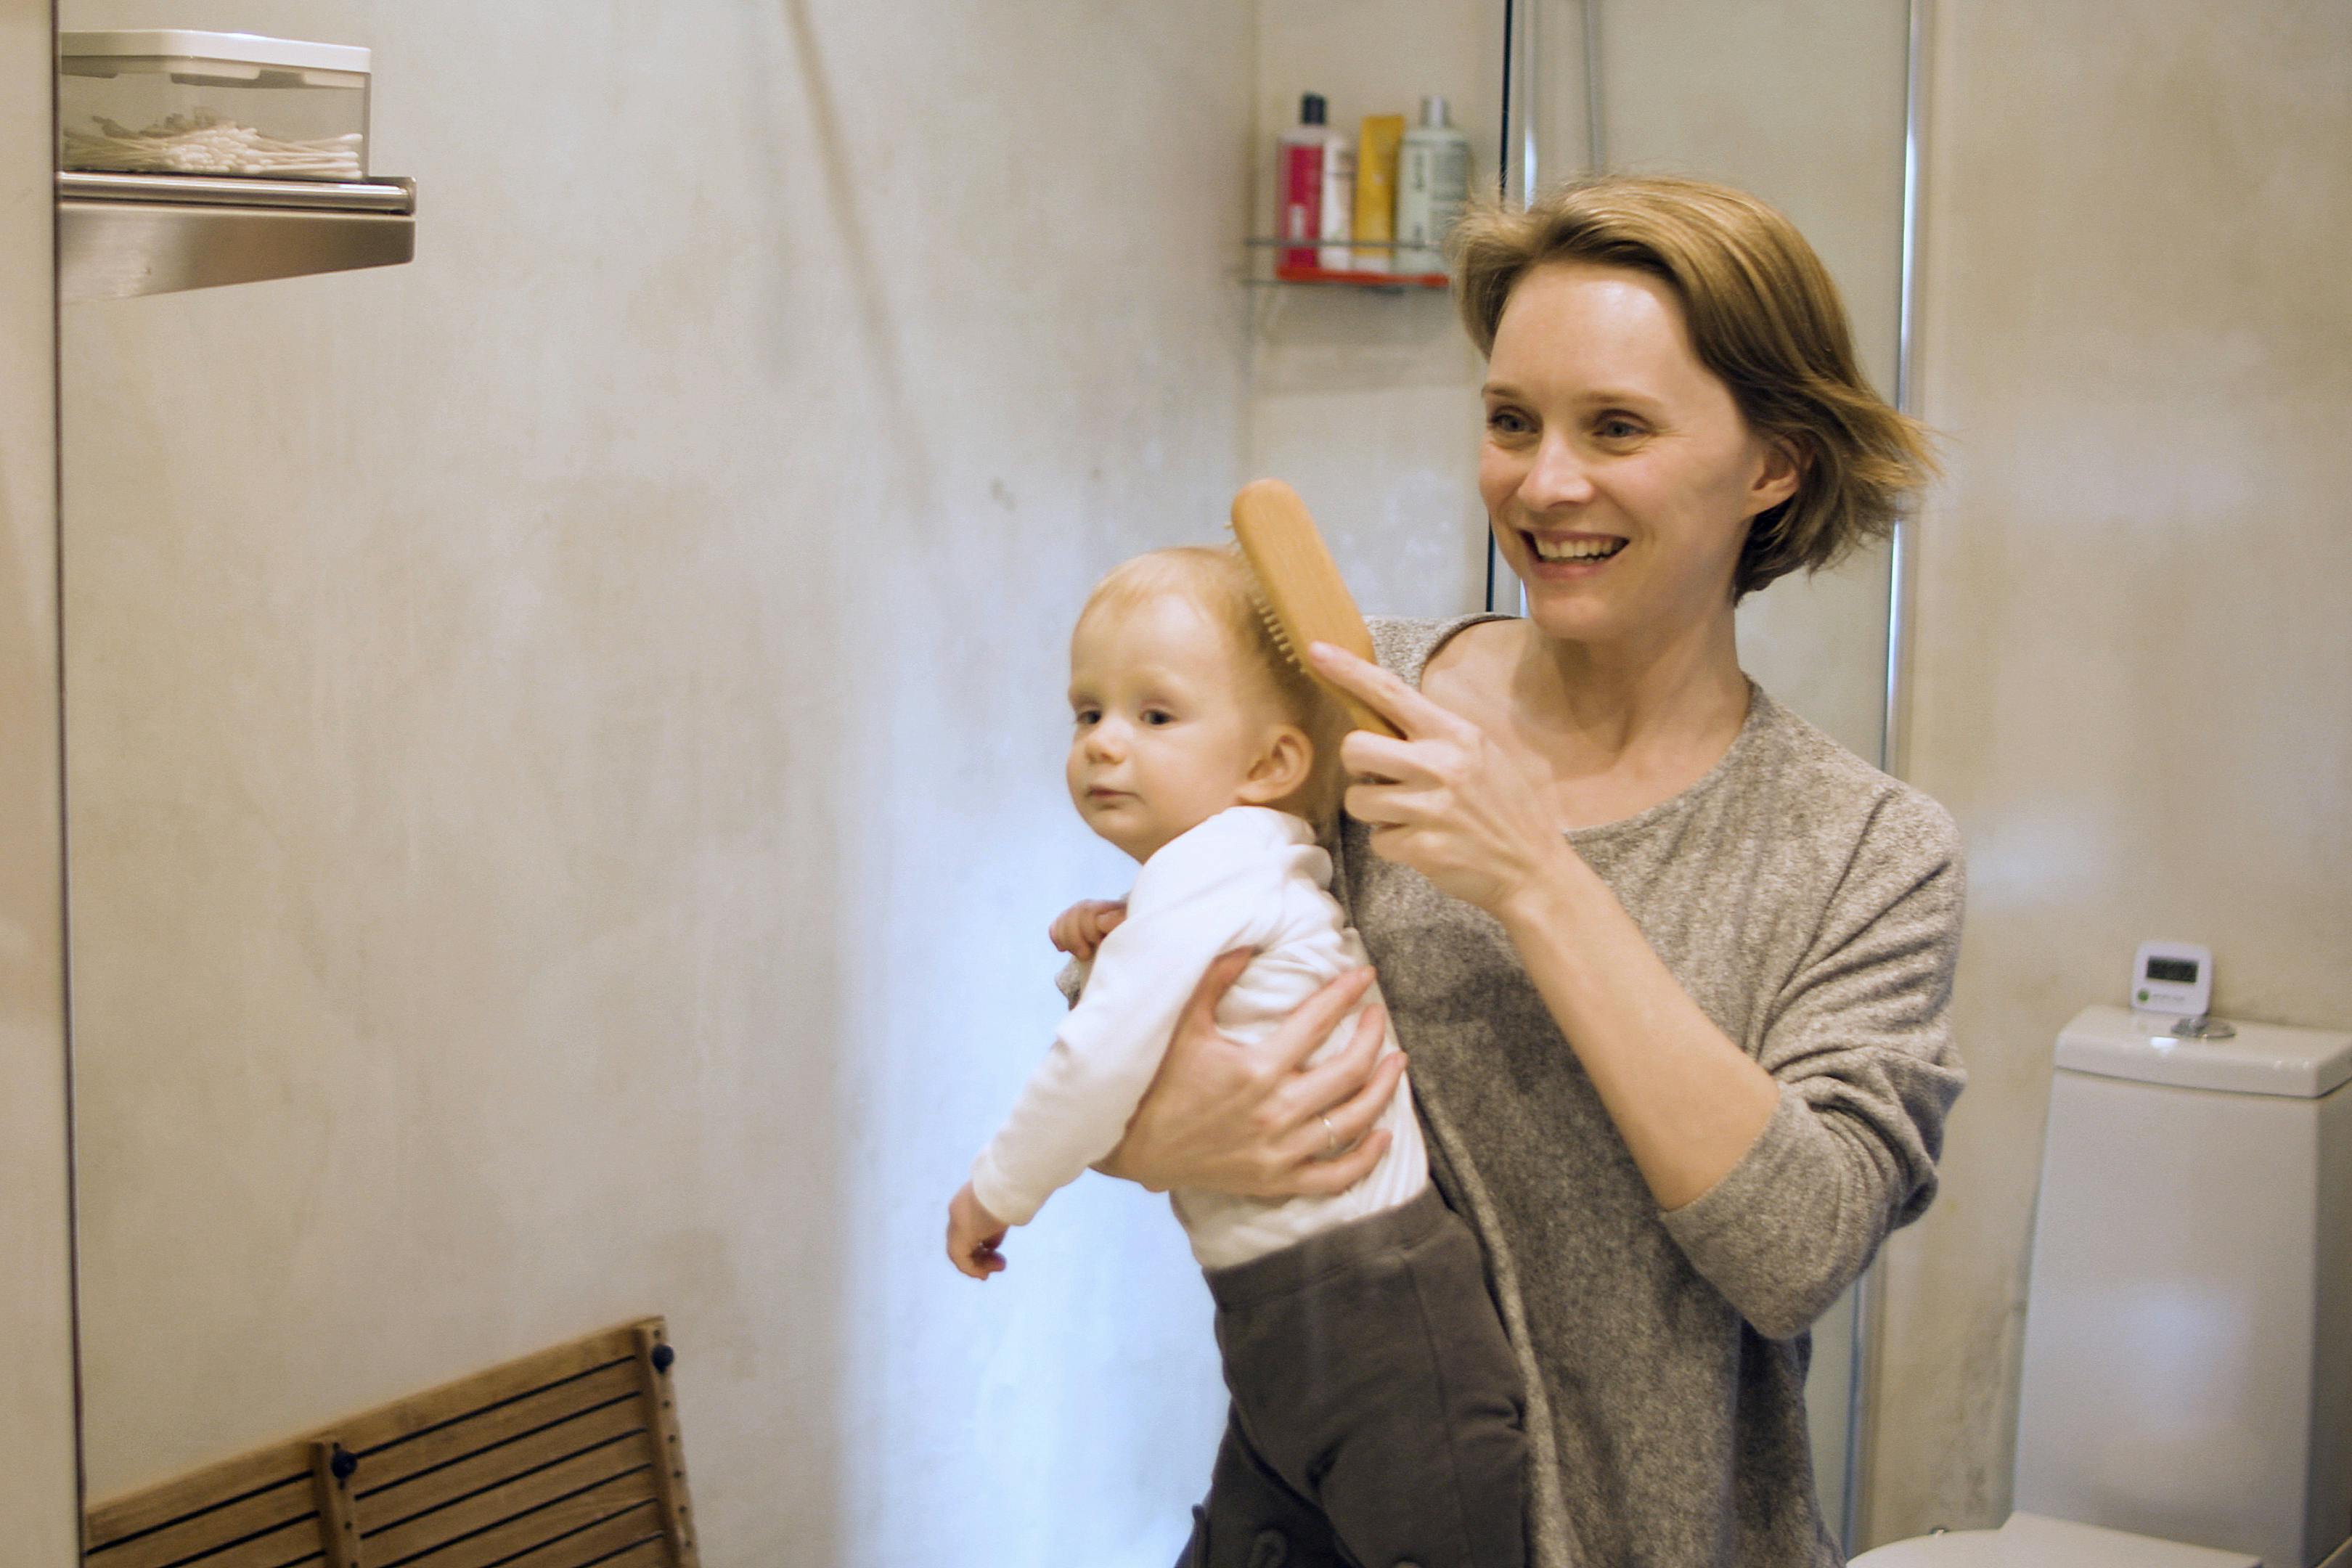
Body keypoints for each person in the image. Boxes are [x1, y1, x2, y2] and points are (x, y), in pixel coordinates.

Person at [1083, 176, 1969, 1568]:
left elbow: (1798, 1253)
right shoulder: (1343, 705)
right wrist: (1154, 1119)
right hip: (1309, 1527)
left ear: (1775, 465)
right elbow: (1151, 1022)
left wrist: (1537, 879)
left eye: (1616, 427)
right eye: (1511, 421)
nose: (1543, 484)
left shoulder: (1862, 849)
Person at [946, 546, 1525, 1568]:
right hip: (1297, 1310)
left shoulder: (1209, 872)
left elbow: (1097, 1064)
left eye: (1154, 715)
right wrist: (1113, 943)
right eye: (1088, 713)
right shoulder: (1243, 864)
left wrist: (995, 1192)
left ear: (1269, 766)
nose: (1104, 743)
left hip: (1372, 1313)